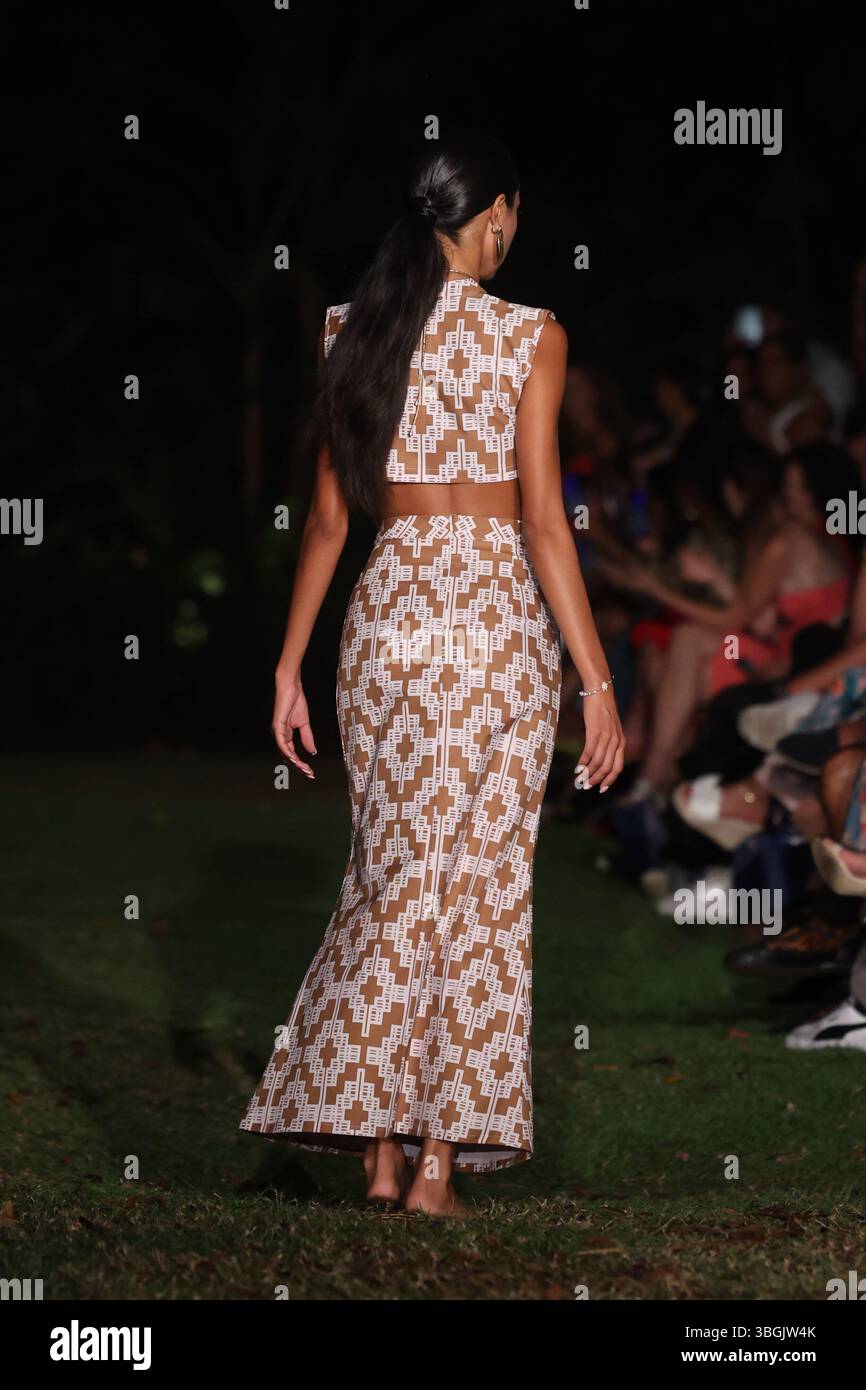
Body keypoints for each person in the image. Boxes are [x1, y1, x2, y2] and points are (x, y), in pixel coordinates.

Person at [238, 130, 624, 1218]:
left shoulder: (347, 332)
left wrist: (286, 664)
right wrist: (595, 681)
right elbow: (545, 522)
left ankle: (374, 1155)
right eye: (514, 217)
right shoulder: (530, 335)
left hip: (389, 621)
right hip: (494, 620)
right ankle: (436, 1168)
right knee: (478, 889)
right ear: (494, 213)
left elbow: (325, 518)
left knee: (389, 877)